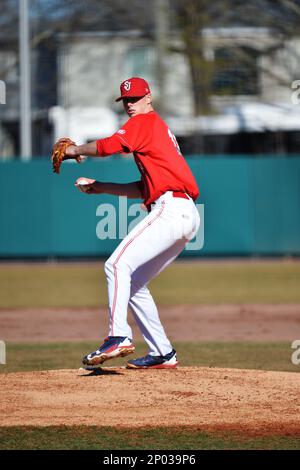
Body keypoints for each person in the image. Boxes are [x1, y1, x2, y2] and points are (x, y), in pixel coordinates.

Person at [63, 77, 200, 369]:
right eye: (125, 100)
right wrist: (99, 186)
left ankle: (118, 336)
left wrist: (75, 150)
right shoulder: (155, 130)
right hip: (183, 211)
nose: (130, 104)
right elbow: (143, 188)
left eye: (135, 98)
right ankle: (163, 352)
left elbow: (109, 145)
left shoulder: (145, 123)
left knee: (115, 265)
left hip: (172, 208)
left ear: (148, 98)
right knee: (134, 283)